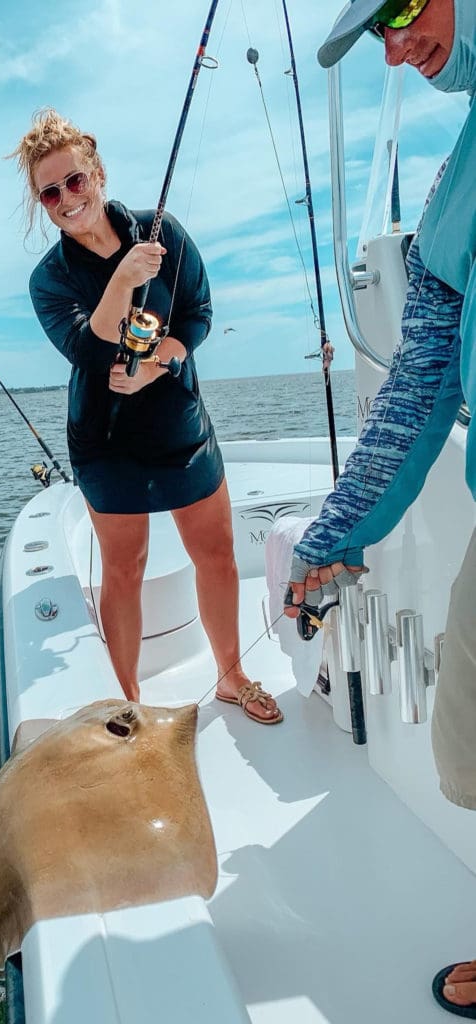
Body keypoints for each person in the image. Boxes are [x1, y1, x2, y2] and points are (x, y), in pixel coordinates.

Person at [284, 0, 475, 1015]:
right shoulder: (456, 187)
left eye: (403, 6)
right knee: (466, 747)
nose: (397, 46)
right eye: (376, 34)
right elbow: (420, 382)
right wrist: (333, 533)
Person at [9, 108, 281, 723]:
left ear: (97, 173)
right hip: (105, 444)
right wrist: (123, 278)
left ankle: (232, 676)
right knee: (123, 569)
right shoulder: (48, 279)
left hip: (181, 431)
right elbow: (87, 350)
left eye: (74, 181)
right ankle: (127, 703)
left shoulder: (164, 233)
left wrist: (159, 365)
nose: (66, 199)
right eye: (49, 193)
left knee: (216, 554)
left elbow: (198, 313)